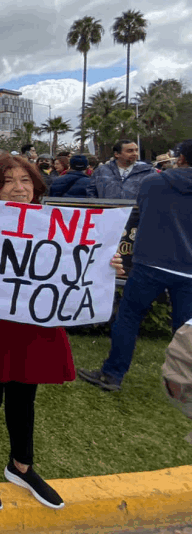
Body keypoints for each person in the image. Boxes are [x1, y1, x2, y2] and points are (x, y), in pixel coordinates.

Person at [0, 155, 117, 512]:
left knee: (25, 393)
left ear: (36, 185)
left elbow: (78, 258)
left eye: (25, 180)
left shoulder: (52, 223)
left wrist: (105, 262)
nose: (18, 188)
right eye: (8, 181)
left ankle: (21, 465)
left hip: (35, 322)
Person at [79, 139, 192, 392]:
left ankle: (112, 375)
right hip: (187, 271)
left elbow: (140, 210)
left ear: (181, 159)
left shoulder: (153, 181)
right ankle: (183, 384)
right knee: (185, 329)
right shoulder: (152, 178)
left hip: (149, 262)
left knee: (128, 318)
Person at [86, 139, 155, 199]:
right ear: (117, 154)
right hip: (109, 212)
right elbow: (91, 191)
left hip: (137, 213)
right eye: (130, 151)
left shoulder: (148, 171)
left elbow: (156, 192)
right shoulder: (101, 171)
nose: (135, 154)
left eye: (136, 150)